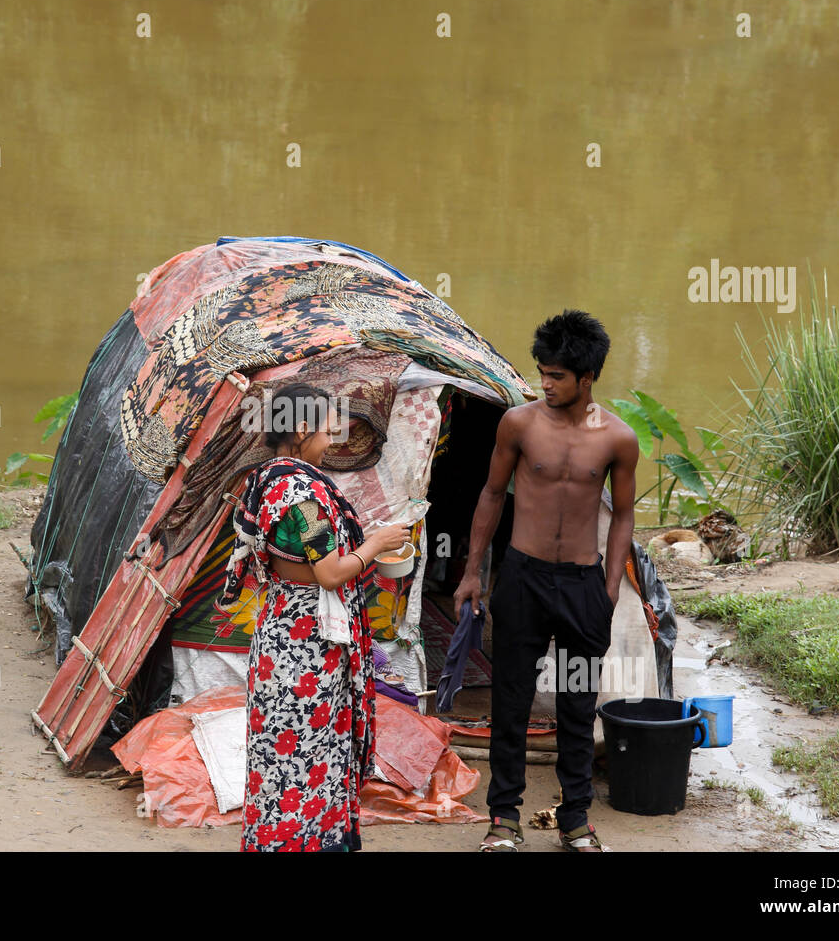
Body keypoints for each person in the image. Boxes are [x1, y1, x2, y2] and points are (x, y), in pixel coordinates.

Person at [453, 310, 638, 852]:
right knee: (511, 703)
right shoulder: (519, 423)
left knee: (577, 706)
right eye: (543, 373)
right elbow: (490, 494)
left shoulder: (618, 440)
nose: (546, 384)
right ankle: (503, 821)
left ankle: (575, 820)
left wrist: (609, 586)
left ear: (587, 379)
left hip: (583, 587)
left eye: (557, 376)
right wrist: (472, 572)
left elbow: (623, 516)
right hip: (523, 579)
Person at [217, 382, 410, 851]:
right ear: (302, 429)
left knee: (283, 751)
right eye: (327, 432)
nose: (333, 442)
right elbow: (329, 572)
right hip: (308, 643)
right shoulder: (301, 494)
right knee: (307, 750)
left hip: (279, 628)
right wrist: (377, 545)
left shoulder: (265, 478)